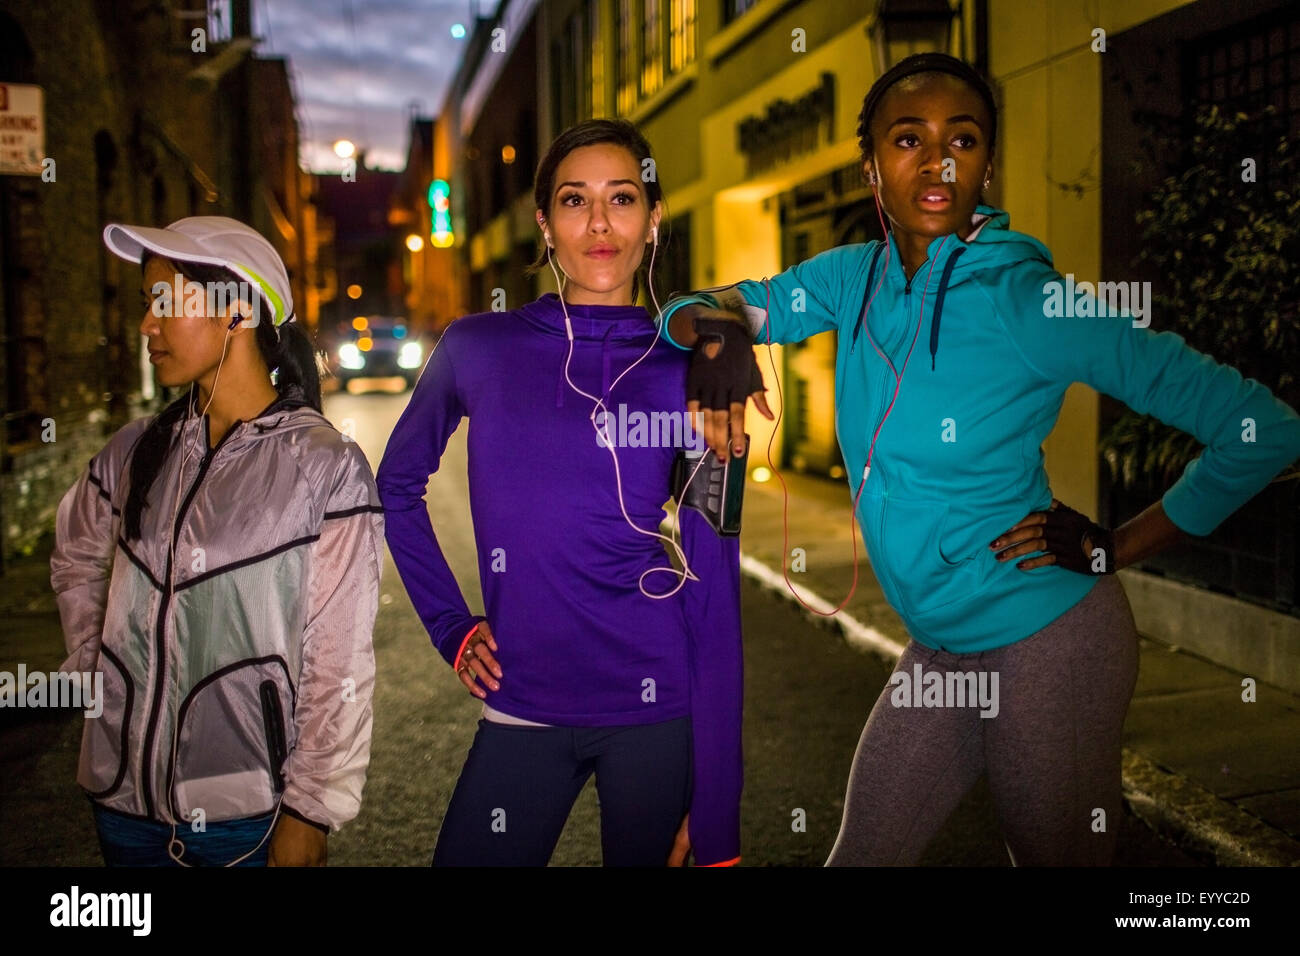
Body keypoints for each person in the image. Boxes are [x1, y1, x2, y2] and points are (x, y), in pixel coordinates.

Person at [659, 52, 1300, 865]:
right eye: (908, 140)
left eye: (961, 140)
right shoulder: (850, 280)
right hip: (939, 648)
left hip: (1051, 642)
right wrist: (717, 334)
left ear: (987, 165)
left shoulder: (1029, 303)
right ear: (870, 168)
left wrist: (1118, 547)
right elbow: (696, 308)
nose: (936, 161)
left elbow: (1261, 428)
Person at [376, 119, 744, 867]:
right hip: (523, 704)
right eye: (575, 201)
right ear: (545, 224)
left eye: (624, 198)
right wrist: (451, 627)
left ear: (653, 218)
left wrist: (718, 813)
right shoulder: (478, 347)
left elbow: (715, 584)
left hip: (658, 704)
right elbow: (397, 484)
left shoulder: (694, 370)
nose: (601, 224)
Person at [50, 216, 383, 866]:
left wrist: (309, 810)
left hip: (246, 822)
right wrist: (100, 672)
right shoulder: (133, 451)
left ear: (237, 310)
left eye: (164, 301)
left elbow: (339, 662)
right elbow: (75, 554)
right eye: (148, 304)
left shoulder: (324, 466)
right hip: (122, 810)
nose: (148, 324)